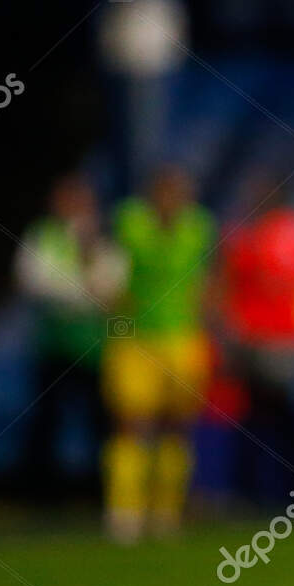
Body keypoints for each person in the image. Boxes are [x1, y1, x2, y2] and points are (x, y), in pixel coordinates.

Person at [102, 165, 215, 543]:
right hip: (136, 339)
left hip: (182, 338)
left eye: (180, 193)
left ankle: (166, 513)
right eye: (166, 192)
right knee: (131, 424)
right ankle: (124, 513)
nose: (173, 200)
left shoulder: (199, 227)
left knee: (177, 428)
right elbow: (110, 276)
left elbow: (206, 281)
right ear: (153, 195)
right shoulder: (129, 223)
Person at [14, 173, 127, 503]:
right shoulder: (43, 236)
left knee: (99, 421)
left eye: (80, 200)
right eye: (67, 199)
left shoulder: (101, 240)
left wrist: (86, 268)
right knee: (46, 419)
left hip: (92, 347)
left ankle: (100, 494)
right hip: (53, 344)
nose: (74, 207)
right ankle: (40, 494)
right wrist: (82, 292)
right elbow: (34, 282)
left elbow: (112, 288)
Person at [220, 173, 294, 505]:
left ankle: (287, 489)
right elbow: (232, 284)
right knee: (258, 416)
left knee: (280, 416)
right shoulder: (250, 233)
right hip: (255, 338)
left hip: (282, 338)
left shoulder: (287, 233)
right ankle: (265, 490)